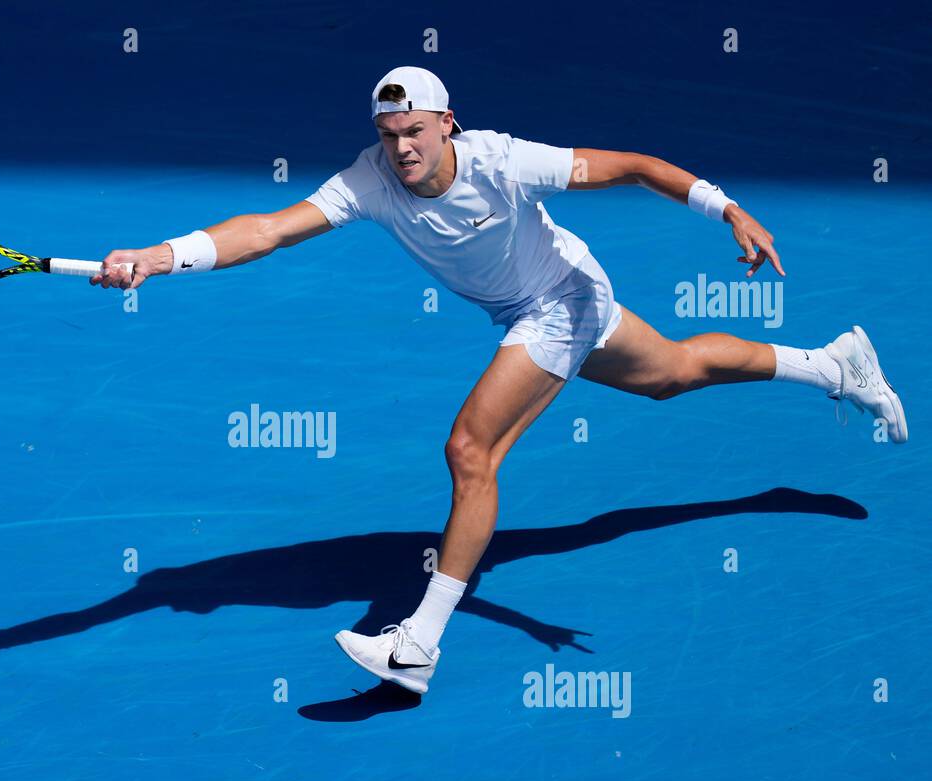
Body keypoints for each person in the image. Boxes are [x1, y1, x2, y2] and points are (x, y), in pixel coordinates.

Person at [89, 65, 907, 695]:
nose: (400, 148)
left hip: (563, 301)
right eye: (388, 133)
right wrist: (159, 259)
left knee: (471, 449)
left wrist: (726, 210)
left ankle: (417, 645)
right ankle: (834, 365)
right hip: (528, 308)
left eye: (413, 131)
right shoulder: (370, 178)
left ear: (448, 124)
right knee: (675, 373)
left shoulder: (504, 162)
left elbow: (630, 168)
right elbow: (267, 229)